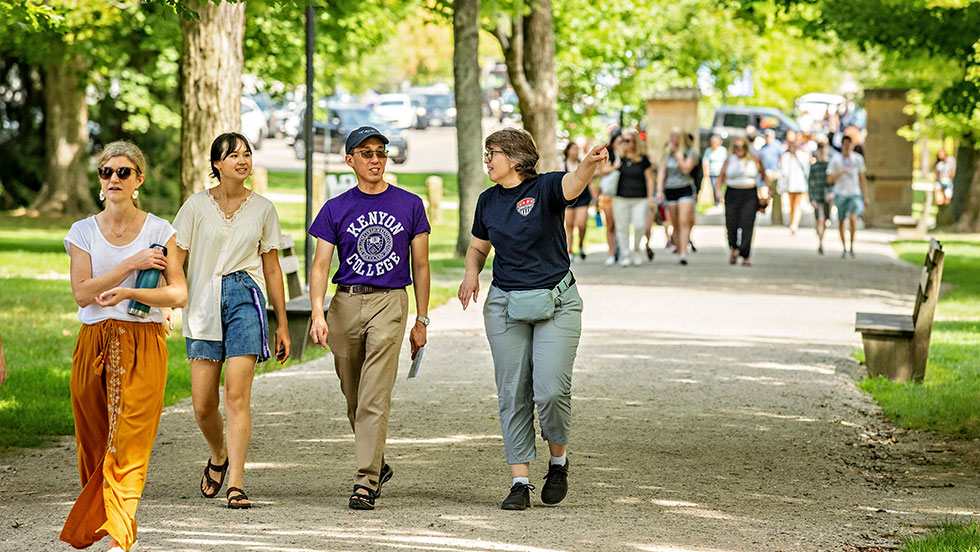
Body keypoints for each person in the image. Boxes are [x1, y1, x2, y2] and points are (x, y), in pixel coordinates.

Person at [458, 128, 607, 510]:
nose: (487, 159)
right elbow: (478, 246)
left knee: (550, 390)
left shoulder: (545, 188)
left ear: (516, 159)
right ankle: (520, 481)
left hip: (557, 303)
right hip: (506, 304)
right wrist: (471, 273)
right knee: (512, 392)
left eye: (492, 153)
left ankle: (558, 462)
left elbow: (573, 185)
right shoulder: (487, 201)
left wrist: (588, 164)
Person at [60, 141, 187, 552]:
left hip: (142, 341)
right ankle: (105, 519)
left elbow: (178, 294)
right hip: (93, 341)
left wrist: (136, 293)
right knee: (96, 441)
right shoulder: (81, 232)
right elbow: (82, 293)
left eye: (123, 172)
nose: (114, 179)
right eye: (106, 172)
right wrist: (129, 266)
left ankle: (120, 534)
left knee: (131, 439)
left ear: (139, 180)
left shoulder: (160, 230)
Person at [308, 126, 430, 510]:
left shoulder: (409, 205)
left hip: (390, 303)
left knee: (375, 394)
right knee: (354, 395)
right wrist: (318, 312)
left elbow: (422, 266)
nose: (375, 159)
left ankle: (366, 481)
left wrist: (422, 320)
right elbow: (320, 264)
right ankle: (376, 459)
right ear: (350, 161)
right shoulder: (335, 208)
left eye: (380, 152)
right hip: (345, 303)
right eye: (366, 153)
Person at [172, 132, 290, 509]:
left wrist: (282, 322)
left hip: (245, 299)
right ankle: (218, 453)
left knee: (236, 395)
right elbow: (176, 257)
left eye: (247, 153)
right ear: (217, 164)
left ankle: (236, 482)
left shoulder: (263, 209)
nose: (242, 160)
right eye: (233, 154)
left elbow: (272, 268)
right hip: (203, 304)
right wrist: (170, 301)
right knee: (203, 404)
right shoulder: (194, 207)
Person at [715, 137, 770, 266]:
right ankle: (734, 248)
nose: (739, 150)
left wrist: (766, 190)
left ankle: (745, 254)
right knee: (731, 223)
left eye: (742, 147)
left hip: (749, 193)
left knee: (747, 224)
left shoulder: (754, 160)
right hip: (732, 193)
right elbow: (720, 178)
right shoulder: (729, 160)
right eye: (736, 147)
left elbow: (764, 176)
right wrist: (718, 191)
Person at [613, 129, 656, 266]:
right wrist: (615, 166)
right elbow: (601, 172)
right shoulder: (618, 158)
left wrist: (650, 198)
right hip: (620, 198)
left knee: (639, 226)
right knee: (622, 227)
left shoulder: (643, 159)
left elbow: (649, 179)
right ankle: (625, 255)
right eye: (622, 140)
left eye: (627, 140)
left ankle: (637, 249)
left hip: (640, 198)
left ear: (634, 142)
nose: (624, 143)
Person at [655, 128, 698, 265]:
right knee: (675, 222)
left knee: (683, 219)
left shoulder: (690, 152)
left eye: (675, 136)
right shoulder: (666, 153)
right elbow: (661, 172)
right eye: (671, 136)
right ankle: (679, 250)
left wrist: (677, 154)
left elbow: (686, 168)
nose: (672, 139)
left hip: (685, 189)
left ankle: (684, 251)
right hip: (670, 189)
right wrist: (659, 191)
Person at [827, 134, 868, 258]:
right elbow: (829, 179)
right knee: (841, 221)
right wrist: (840, 173)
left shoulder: (858, 159)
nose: (847, 147)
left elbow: (862, 178)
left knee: (852, 218)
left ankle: (851, 246)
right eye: (844, 145)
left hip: (854, 193)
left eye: (849, 144)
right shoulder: (835, 159)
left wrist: (865, 196)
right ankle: (844, 247)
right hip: (840, 193)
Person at [563, 141, 594, 261]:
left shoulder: (582, 164)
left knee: (581, 224)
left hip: (583, 197)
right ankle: (570, 250)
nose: (576, 151)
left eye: (577, 149)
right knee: (569, 225)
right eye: (574, 149)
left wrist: (595, 198)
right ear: (568, 151)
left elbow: (590, 182)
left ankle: (581, 243)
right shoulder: (562, 164)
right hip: (567, 198)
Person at [596, 130, 623, 266]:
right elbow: (602, 171)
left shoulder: (627, 154)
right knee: (610, 224)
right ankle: (611, 253)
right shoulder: (608, 154)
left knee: (621, 224)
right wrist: (615, 167)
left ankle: (622, 251)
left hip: (622, 194)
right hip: (608, 194)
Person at [779, 137, 810, 234]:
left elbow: (807, 170)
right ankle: (793, 221)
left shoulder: (803, 156)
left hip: (800, 184)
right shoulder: (786, 157)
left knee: (797, 204)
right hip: (790, 184)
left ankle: (794, 224)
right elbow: (783, 172)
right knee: (792, 204)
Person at [808, 141, 833, 255]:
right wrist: (811, 198)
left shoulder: (830, 165)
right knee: (820, 219)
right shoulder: (814, 167)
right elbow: (810, 183)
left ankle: (821, 237)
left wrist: (832, 193)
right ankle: (821, 242)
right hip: (817, 196)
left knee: (825, 220)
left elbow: (833, 182)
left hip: (827, 197)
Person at [702, 135, 727, 207]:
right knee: (714, 187)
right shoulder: (708, 151)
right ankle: (716, 202)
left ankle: (722, 200)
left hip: (721, 173)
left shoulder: (723, 150)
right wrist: (706, 171)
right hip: (712, 173)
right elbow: (705, 161)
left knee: (721, 187)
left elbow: (726, 161)